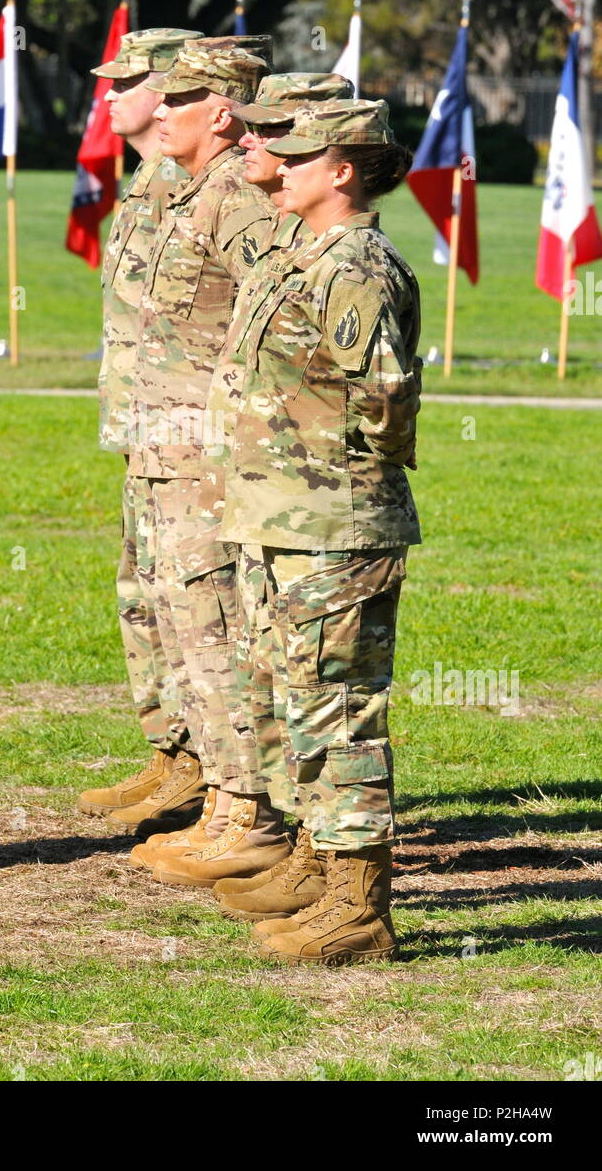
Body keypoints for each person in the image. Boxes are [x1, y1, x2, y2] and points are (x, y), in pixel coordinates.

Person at [215, 99, 422, 963]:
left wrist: (332, 475)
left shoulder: (356, 264)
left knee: (338, 709)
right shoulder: (301, 252)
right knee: (300, 699)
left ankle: (359, 907)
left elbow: (383, 397)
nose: (276, 161)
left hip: (332, 522)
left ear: (343, 170)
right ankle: (316, 862)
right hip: (282, 518)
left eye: (298, 153)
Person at [117, 37, 291, 885]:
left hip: (208, 455)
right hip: (163, 445)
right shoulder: (191, 191)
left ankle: (249, 812)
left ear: (219, 112)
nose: (155, 108)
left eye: (176, 98)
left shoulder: (238, 203)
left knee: (220, 629)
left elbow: (273, 325)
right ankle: (224, 800)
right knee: (190, 627)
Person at [77, 29, 204, 822]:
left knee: (196, 607)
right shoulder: (148, 183)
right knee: (145, 597)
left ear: (164, 92)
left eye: (123, 82)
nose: (107, 95)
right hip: (144, 428)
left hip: (196, 439)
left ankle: (214, 776)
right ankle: (173, 753)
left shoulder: (209, 189)